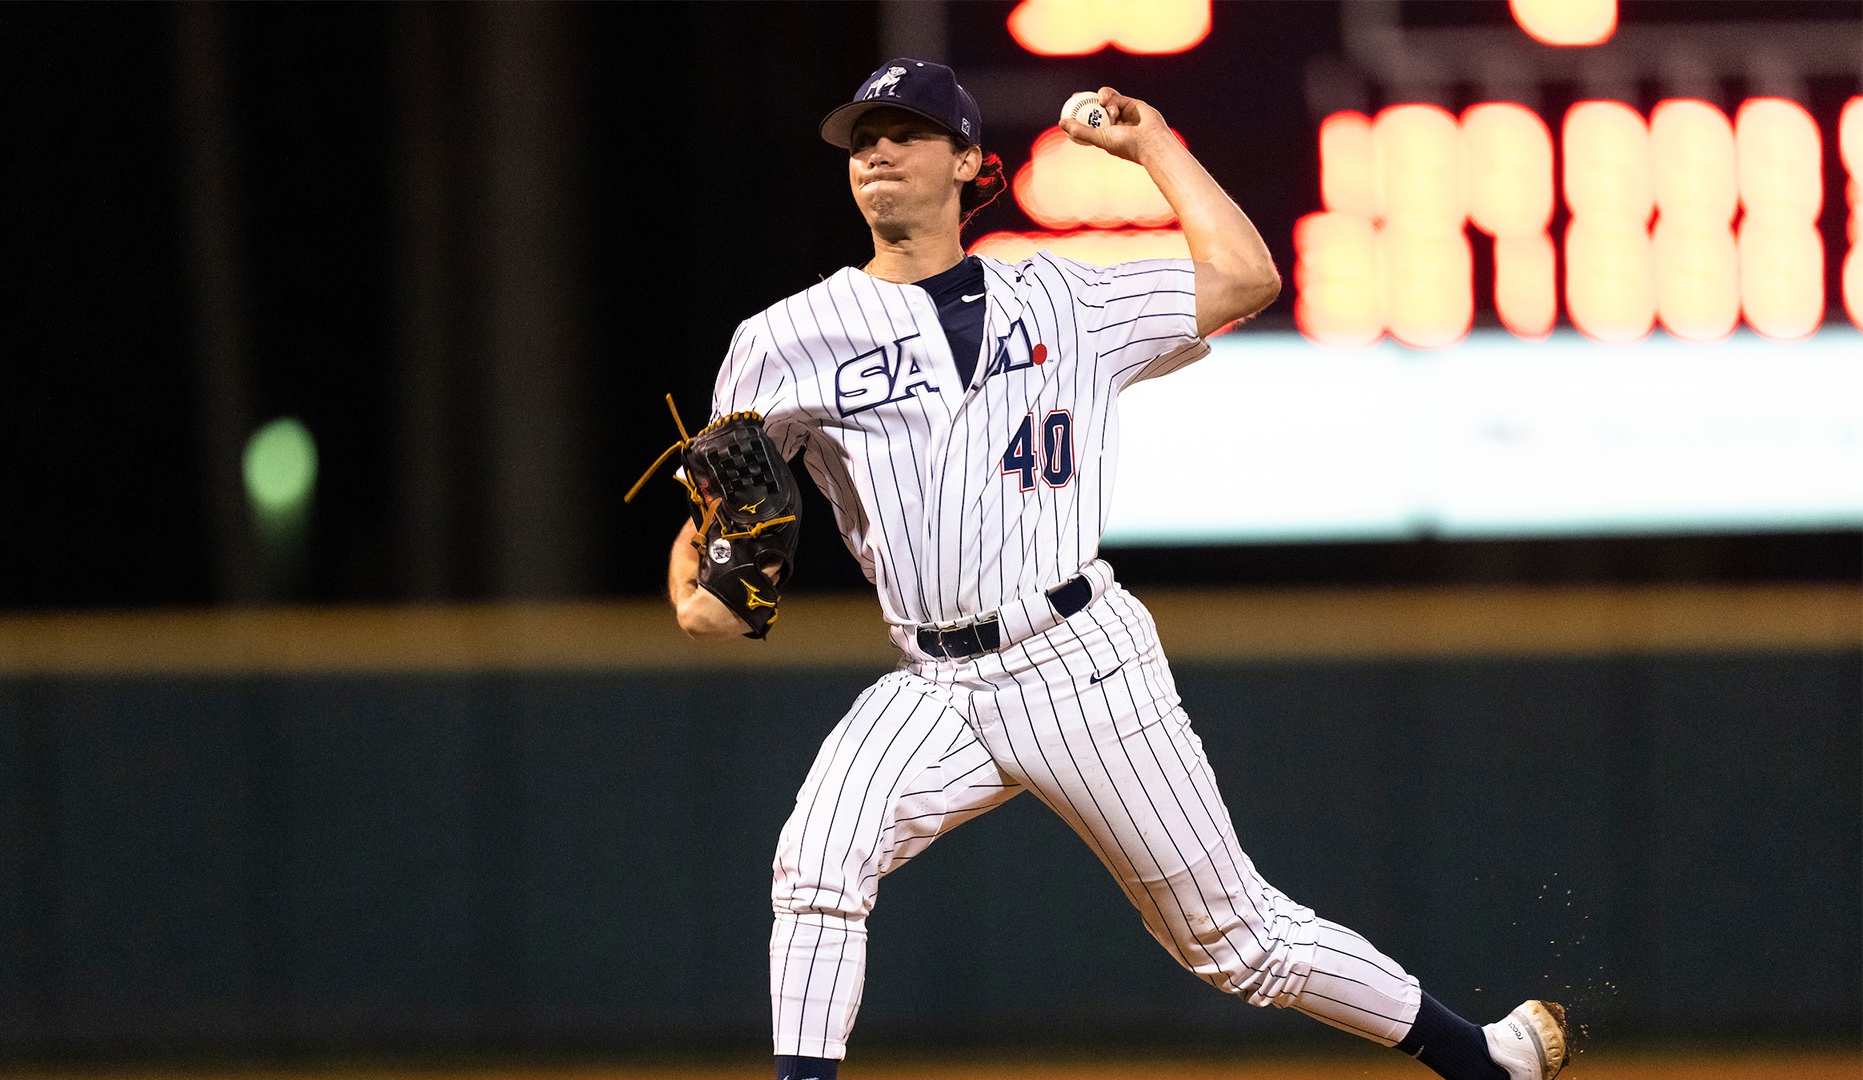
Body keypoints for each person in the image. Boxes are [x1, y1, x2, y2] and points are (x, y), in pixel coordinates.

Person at [666, 58, 1571, 1080]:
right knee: (817, 867)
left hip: (1079, 661)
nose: (876, 151)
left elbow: (1247, 277)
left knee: (1237, 943)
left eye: (906, 132)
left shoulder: (1062, 297)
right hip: (936, 684)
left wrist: (1152, 147)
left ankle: (1484, 1060)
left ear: (967, 161)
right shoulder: (781, 339)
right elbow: (730, 524)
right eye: (863, 137)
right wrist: (701, 583)